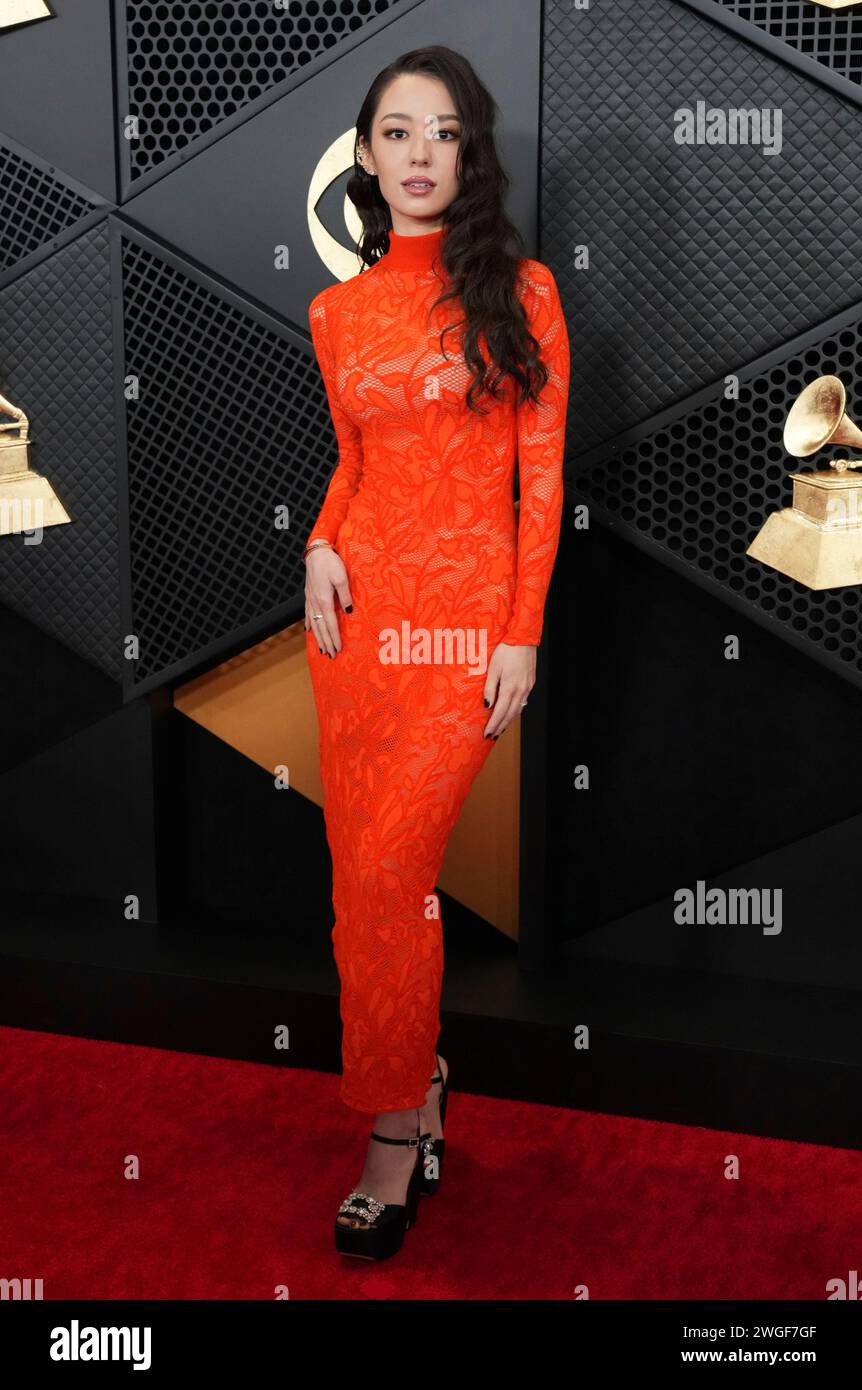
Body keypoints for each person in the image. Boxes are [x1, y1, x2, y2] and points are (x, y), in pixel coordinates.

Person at [303, 44, 570, 1259]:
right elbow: (354, 462)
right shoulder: (335, 311)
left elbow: (539, 479)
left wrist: (520, 632)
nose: (419, 154)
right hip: (355, 627)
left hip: (463, 637)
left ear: (470, 156)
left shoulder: (521, 293)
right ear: (365, 156)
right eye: (398, 133)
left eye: (444, 133)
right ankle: (418, 1084)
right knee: (361, 885)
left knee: (390, 873)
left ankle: (391, 1136)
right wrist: (318, 541)